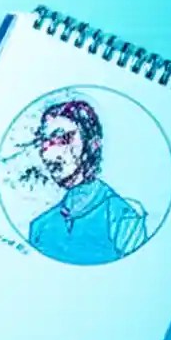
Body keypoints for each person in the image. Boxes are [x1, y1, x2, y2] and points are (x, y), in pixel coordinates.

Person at [27, 99, 147, 264]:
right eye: (44, 142)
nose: (49, 153)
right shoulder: (40, 227)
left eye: (62, 139)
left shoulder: (121, 217)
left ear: (92, 144)